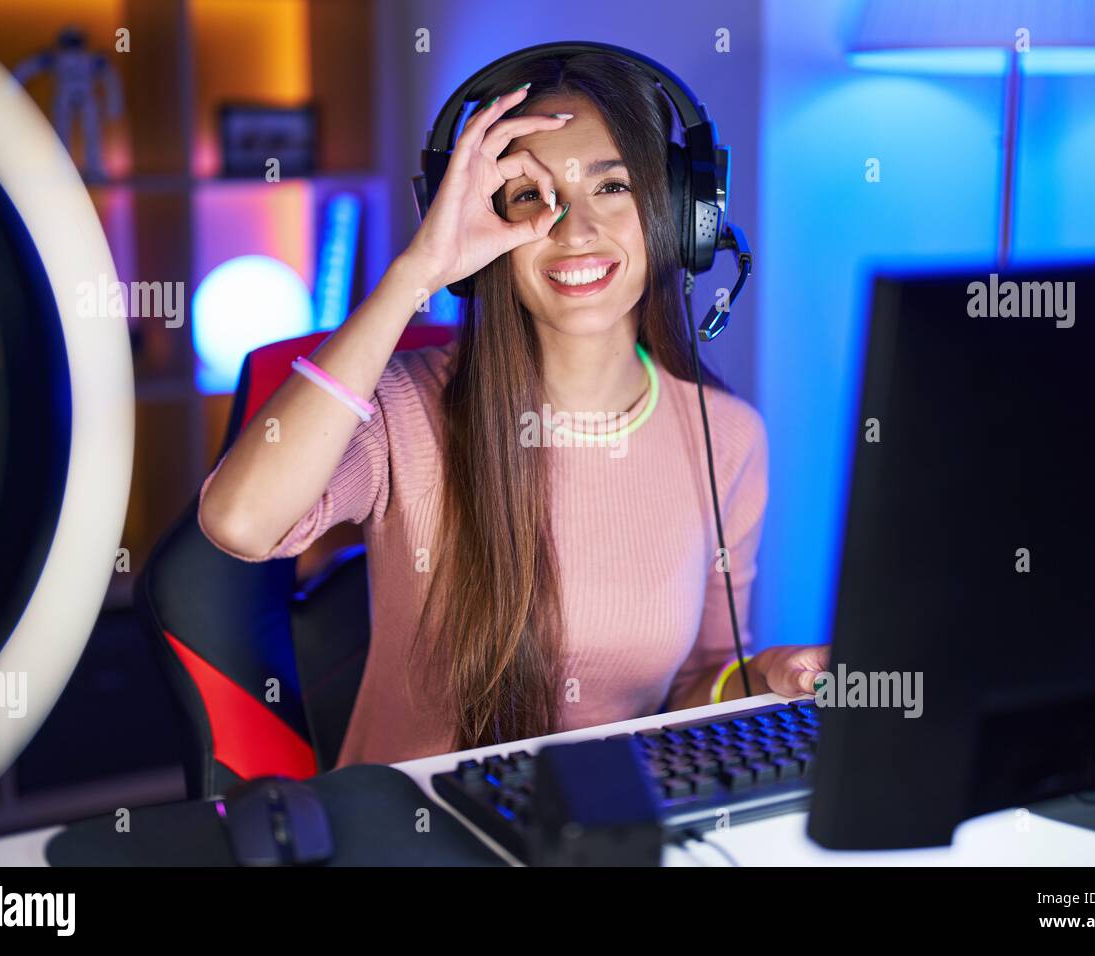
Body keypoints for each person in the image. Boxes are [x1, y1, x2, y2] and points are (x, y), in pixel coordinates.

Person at [198, 51, 828, 766]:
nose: (574, 229)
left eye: (613, 186)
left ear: (681, 214)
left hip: (605, 828)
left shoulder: (728, 435)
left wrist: (766, 676)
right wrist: (417, 272)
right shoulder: (408, 408)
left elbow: (699, 680)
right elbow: (240, 523)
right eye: (530, 195)